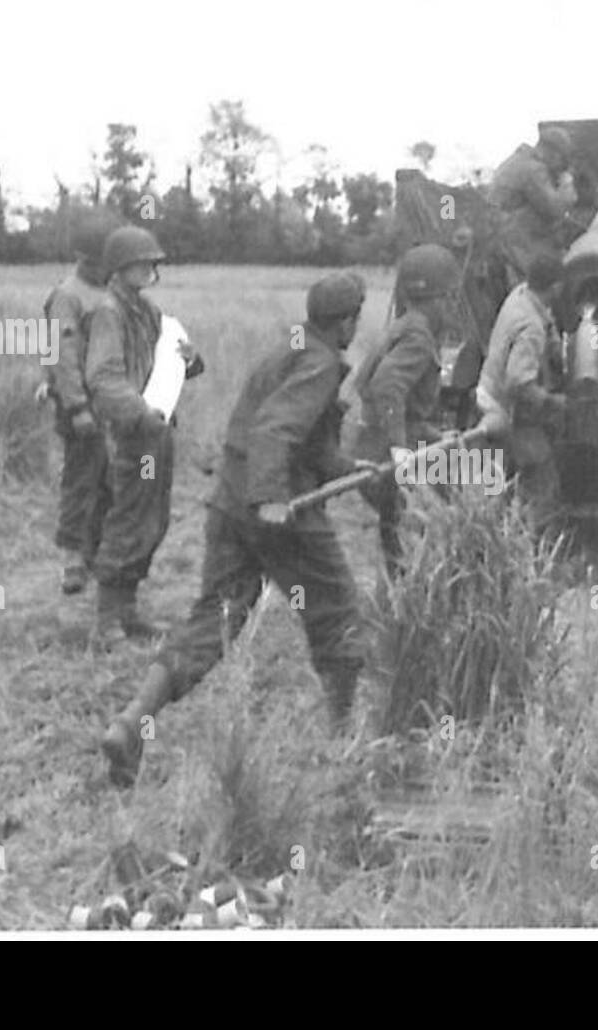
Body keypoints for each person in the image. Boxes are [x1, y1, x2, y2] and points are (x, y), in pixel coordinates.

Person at [101, 274, 369, 787]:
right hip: (280, 514)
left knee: (213, 621)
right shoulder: (321, 363)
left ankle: (133, 722)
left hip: (230, 505)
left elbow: (302, 441)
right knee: (338, 613)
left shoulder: (292, 348)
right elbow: (275, 431)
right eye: (356, 315)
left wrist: (357, 468)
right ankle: (343, 743)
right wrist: (270, 499)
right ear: (347, 320)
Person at [85, 225, 202, 644]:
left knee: (153, 519)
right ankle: (107, 618)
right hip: (130, 434)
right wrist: (140, 412)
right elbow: (103, 377)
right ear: (119, 268)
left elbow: (168, 360)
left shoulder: (148, 313)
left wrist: (192, 359)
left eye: (153, 263)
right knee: (129, 517)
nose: (151, 269)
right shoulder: (109, 314)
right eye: (143, 262)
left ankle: (127, 608)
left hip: (156, 431)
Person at [351, 243, 459, 576]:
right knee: (427, 531)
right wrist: (400, 447)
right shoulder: (418, 336)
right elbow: (386, 387)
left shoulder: (403, 326)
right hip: (386, 456)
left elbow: (366, 385)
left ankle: (401, 604)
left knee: (400, 537)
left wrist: (431, 434)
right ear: (441, 298)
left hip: (373, 448)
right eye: (450, 297)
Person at [41, 209, 120, 594]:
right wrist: (77, 409)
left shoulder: (106, 294)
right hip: (81, 407)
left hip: (107, 403)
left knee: (107, 484)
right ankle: (72, 561)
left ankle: (94, 554)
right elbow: (62, 356)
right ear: (89, 258)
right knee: (80, 483)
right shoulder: (68, 296)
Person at [475, 253, 567, 534]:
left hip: (490, 397)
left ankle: (505, 538)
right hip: (507, 412)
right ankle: (533, 549)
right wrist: (554, 402)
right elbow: (519, 382)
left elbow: (544, 321)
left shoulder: (520, 295)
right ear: (556, 287)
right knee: (542, 482)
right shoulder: (531, 328)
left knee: (501, 485)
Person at [489, 126, 578, 284]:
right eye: (561, 160)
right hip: (515, 240)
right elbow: (555, 209)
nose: (559, 166)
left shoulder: (517, 160)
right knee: (554, 273)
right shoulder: (533, 169)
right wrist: (567, 182)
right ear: (553, 154)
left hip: (499, 232)